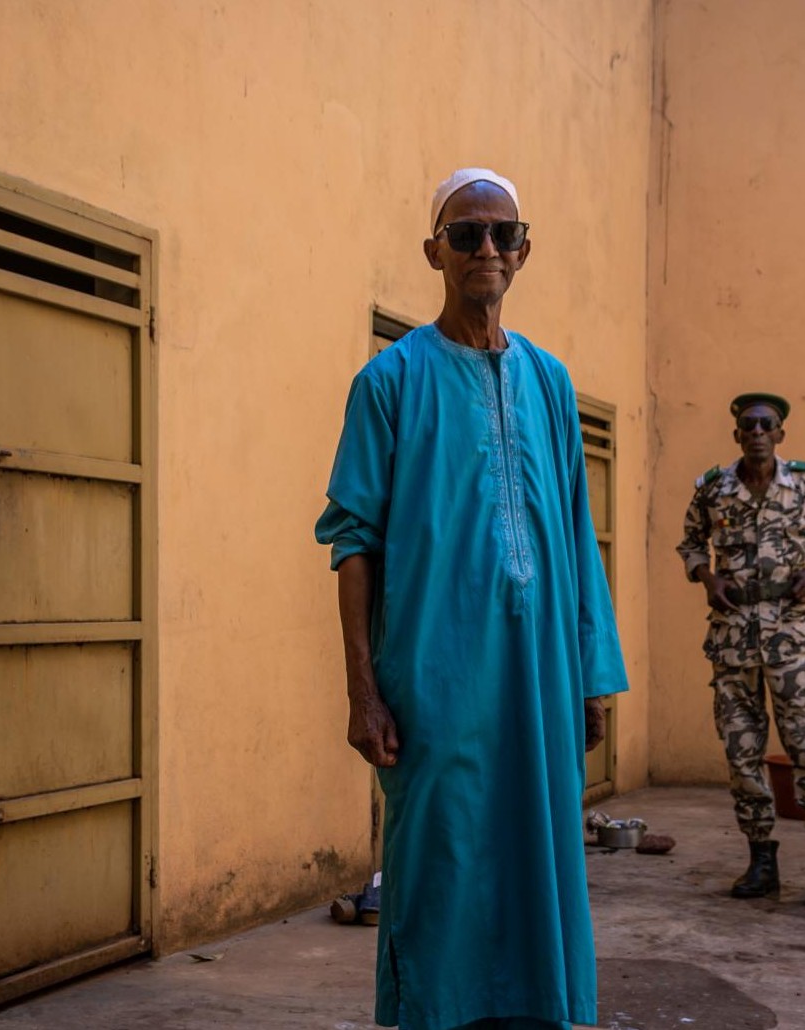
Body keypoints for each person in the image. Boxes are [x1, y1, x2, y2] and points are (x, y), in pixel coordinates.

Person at [316, 168, 629, 1030]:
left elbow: (574, 530)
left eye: (502, 234)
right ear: (435, 253)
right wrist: (362, 691)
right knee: (441, 859)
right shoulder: (389, 382)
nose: (485, 248)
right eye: (465, 235)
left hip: (538, 674)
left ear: (524, 251)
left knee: (537, 854)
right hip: (434, 675)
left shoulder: (550, 382)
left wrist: (589, 673)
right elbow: (353, 543)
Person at [676, 393, 805, 907]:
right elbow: (689, 543)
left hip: (791, 642)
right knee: (741, 756)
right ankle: (761, 861)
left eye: (767, 424)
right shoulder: (714, 490)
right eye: (749, 425)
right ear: (737, 434)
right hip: (733, 642)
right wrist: (707, 576)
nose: (757, 432)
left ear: (780, 434)